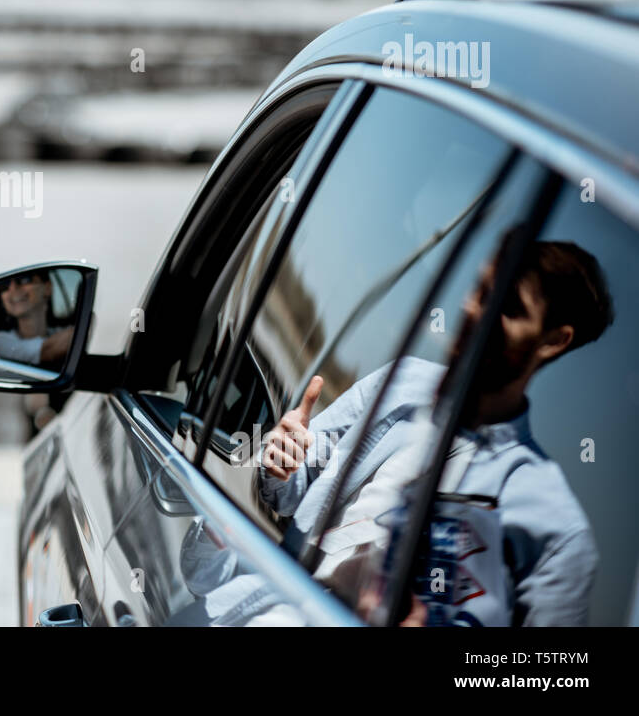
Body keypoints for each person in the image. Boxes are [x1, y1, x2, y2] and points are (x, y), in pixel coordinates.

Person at [187, 237, 612, 626]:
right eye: (481, 290)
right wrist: (280, 463)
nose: (474, 311)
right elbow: (292, 490)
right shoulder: (401, 384)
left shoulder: (556, 528)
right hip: (259, 608)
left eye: (508, 306)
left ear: (554, 341)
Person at [0, 270, 74, 368]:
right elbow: (47, 350)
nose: (13, 288)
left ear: (48, 288)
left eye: (24, 279)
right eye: (4, 285)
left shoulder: (57, 332)